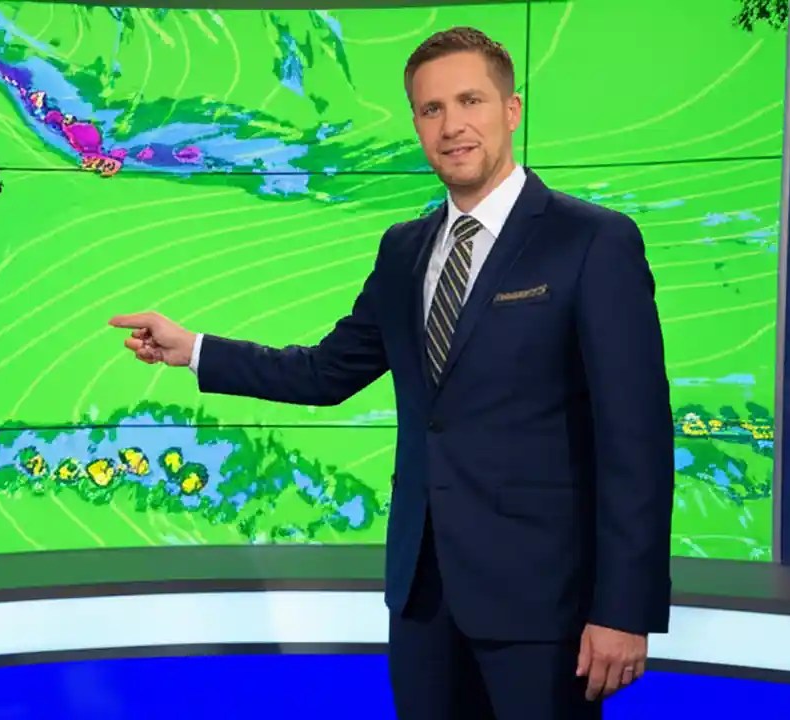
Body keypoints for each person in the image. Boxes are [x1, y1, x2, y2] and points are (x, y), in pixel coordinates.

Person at [109, 26, 673, 720]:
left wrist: (623, 609)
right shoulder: (404, 250)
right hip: (422, 604)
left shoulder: (591, 241)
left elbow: (636, 440)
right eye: (430, 109)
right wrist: (194, 348)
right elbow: (325, 372)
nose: (451, 125)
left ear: (512, 109)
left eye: (470, 100)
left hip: (543, 610)